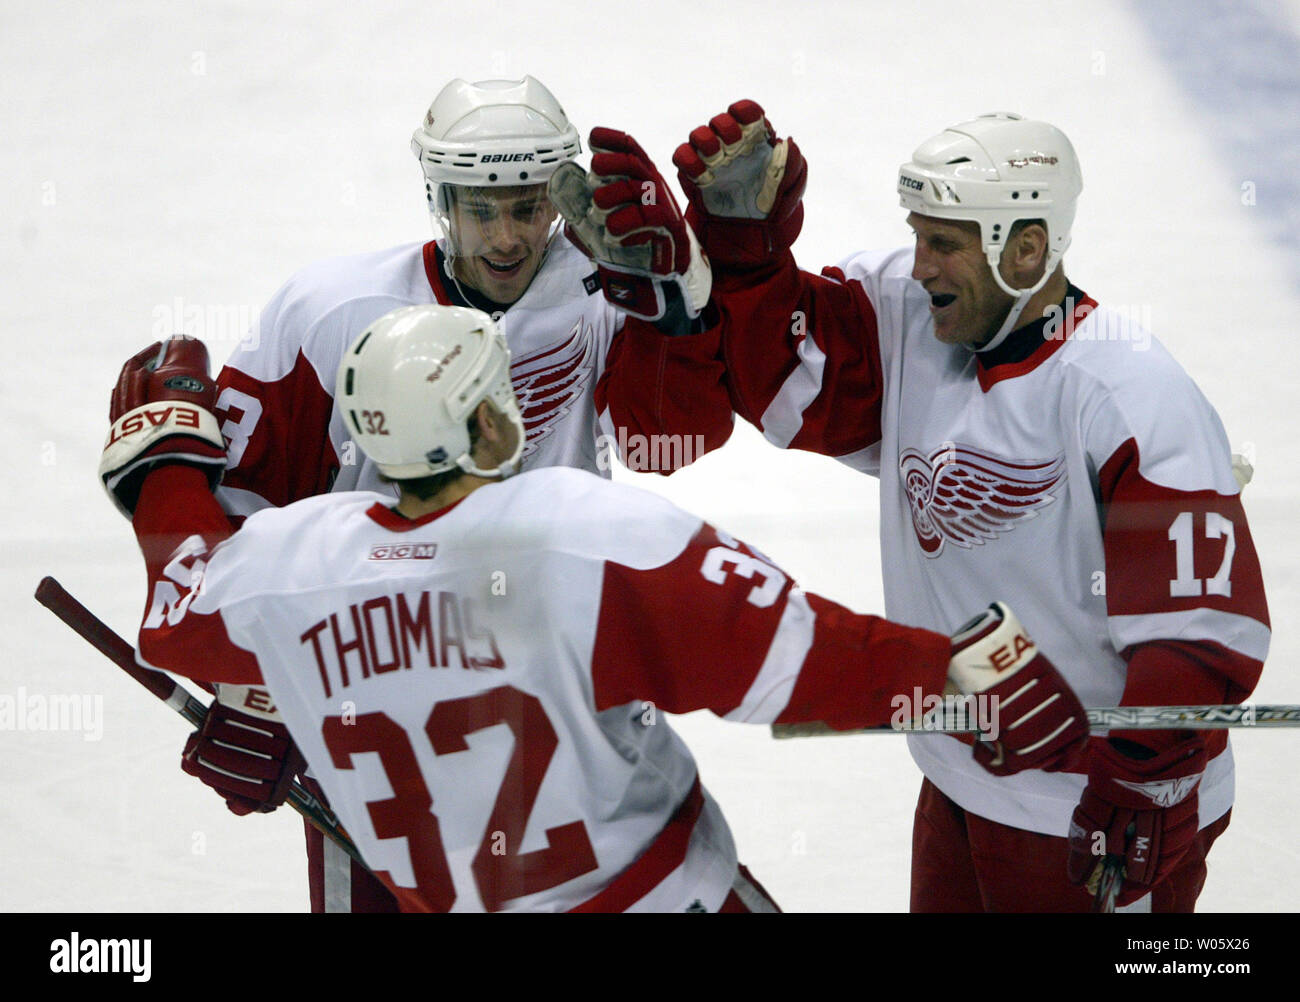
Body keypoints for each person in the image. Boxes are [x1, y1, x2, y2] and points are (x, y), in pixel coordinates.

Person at [96, 306, 1089, 912]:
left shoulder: (292, 565)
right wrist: (961, 682)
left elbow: (182, 602)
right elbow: (798, 660)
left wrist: (161, 467)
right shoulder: (578, 536)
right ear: (487, 420)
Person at [570, 103, 1271, 911]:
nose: (922, 265)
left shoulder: (1127, 392)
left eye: (945, 243)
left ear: (1027, 248)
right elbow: (792, 391)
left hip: (1090, 809)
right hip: (962, 777)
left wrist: (1144, 779)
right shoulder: (913, 321)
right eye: (919, 235)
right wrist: (746, 256)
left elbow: (1202, 630)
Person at [184, 75, 728, 911]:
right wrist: (256, 690)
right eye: (482, 209)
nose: (508, 238)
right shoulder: (332, 310)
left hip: (556, 675)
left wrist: (682, 304)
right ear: (440, 199)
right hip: (377, 674)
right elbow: (245, 507)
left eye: (528, 207)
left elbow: (668, 443)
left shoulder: (600, 290)